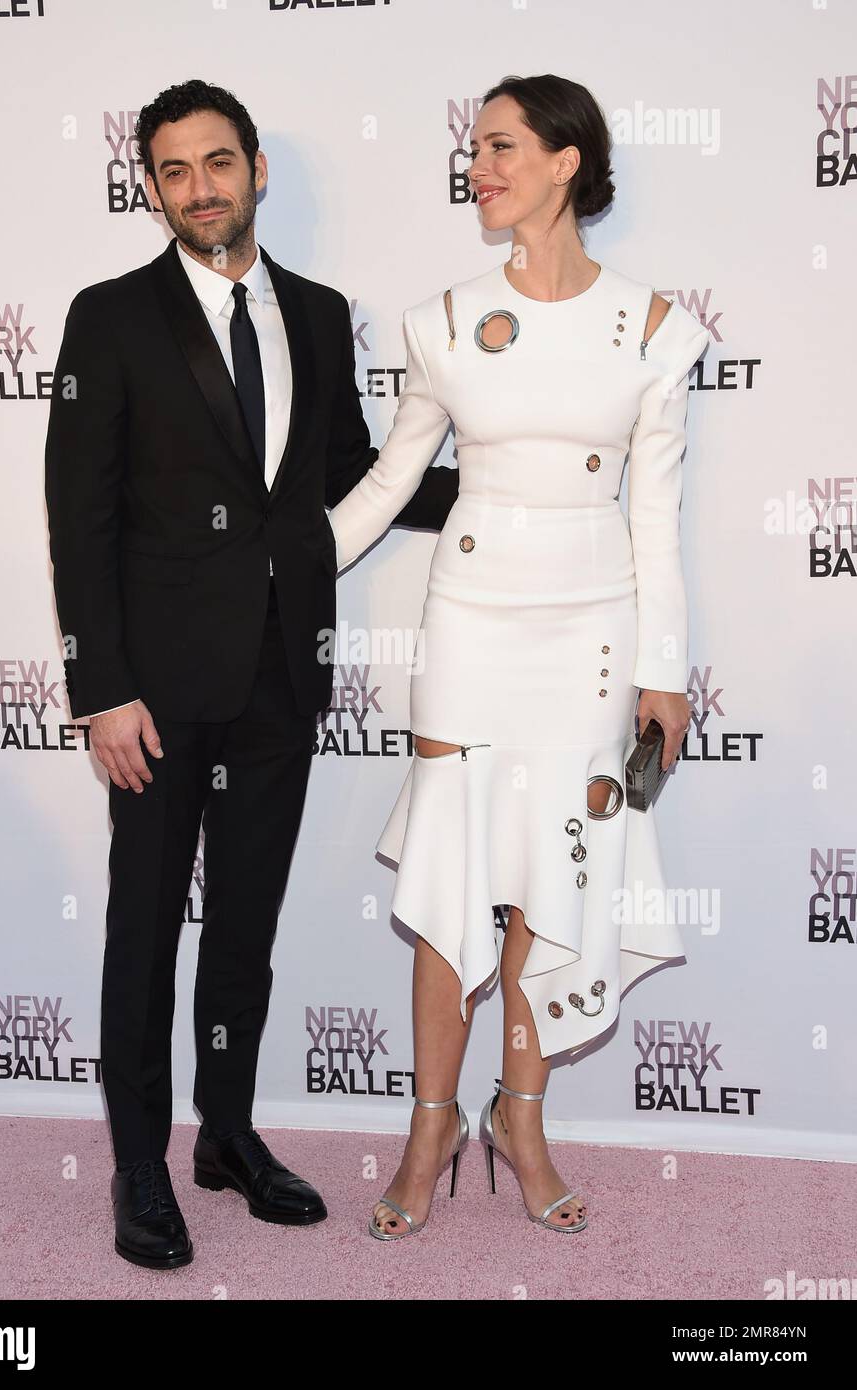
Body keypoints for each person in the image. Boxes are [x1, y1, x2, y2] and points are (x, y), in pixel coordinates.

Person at [44, 79, 457, 1269]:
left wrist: (503, 478)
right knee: (142, 929)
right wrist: (101, 688)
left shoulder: (322, 315)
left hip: (281, 676)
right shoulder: (110, 316)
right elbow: (82, 516)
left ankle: (225, 1135)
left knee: (243, 927)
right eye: (172, 172)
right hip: (155, 698)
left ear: (256, 168)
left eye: (217, 163)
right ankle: (139, 1164)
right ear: (151, 187)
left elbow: (352, 477)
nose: (199, 189)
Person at [327, 73, 711, 1240]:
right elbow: (391, 483)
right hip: (470, 627)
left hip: (590, 638)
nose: (478, 166)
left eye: (499, 146)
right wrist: (276, 569)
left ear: (564, 161)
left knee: (557, 887)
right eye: (473, 149)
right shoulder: (442, 318)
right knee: (449, 888)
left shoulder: (654, 329)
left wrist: (663, 671)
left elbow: (658, 521)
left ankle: (521, 1120)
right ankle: (429, 1127)